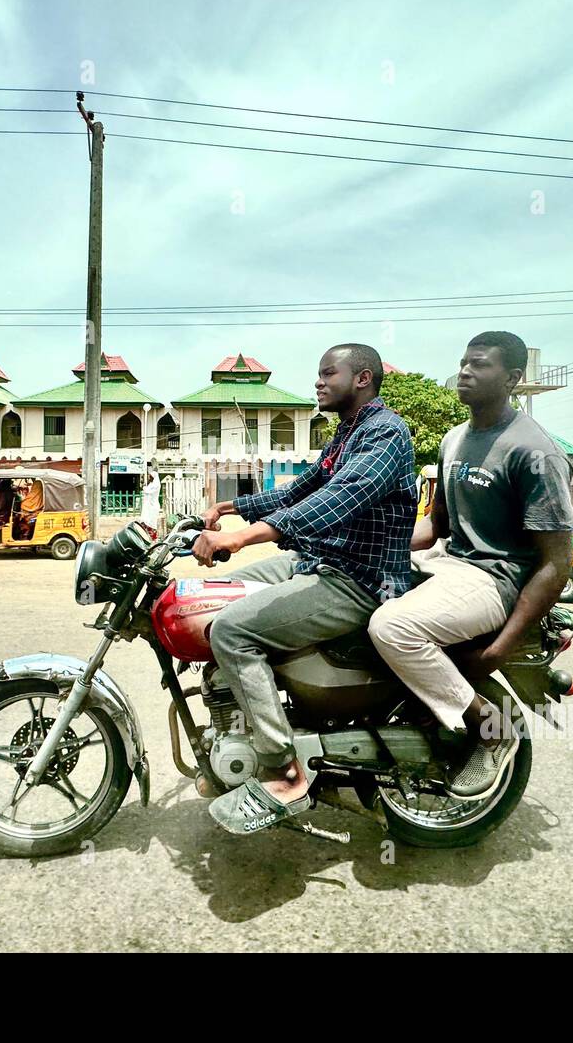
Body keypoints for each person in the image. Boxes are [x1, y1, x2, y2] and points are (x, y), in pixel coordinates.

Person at [191, 343, 416, 834]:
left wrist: (242, 537)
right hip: (317, 562)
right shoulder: (347, 434)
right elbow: (301, 489)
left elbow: (337, 500)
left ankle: (279, 765)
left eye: (327, 373)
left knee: (231, 631)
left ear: (362, 379)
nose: (318, 382)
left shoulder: (386, 435)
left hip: (359, 578)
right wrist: (235, 508)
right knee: (211, 596)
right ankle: (237, 722)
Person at [368, 331, 573, 799]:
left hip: (494, 580)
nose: (465, 372)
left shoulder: (533, 451)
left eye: (479, 365)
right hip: (450, 563)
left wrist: (500, 648)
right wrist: (372, 547)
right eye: (463, 362)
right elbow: (435, 525)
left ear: (513, 379)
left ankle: (489, 726)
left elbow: (555, 564)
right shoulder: (455, 439)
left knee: (392, 627)